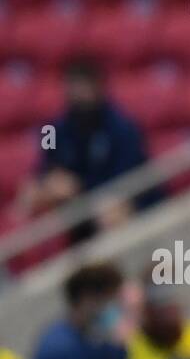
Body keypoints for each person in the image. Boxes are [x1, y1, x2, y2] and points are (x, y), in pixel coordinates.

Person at [17, 57, 158, 239]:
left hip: (119, 201)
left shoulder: (123, 127)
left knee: (110, 209)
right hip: (73, 203)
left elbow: (125, 180)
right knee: (29, 196)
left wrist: (79, 186)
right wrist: (46, 183)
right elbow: (44, 166)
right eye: (73, 87)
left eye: (84, 88)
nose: (78, 94)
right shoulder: (52, 129)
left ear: (98, 87)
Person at [4, 263, 126, 359]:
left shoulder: (94, 339)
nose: (116, 309)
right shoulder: (60, 352)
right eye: (110, 301)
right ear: (87, 299)